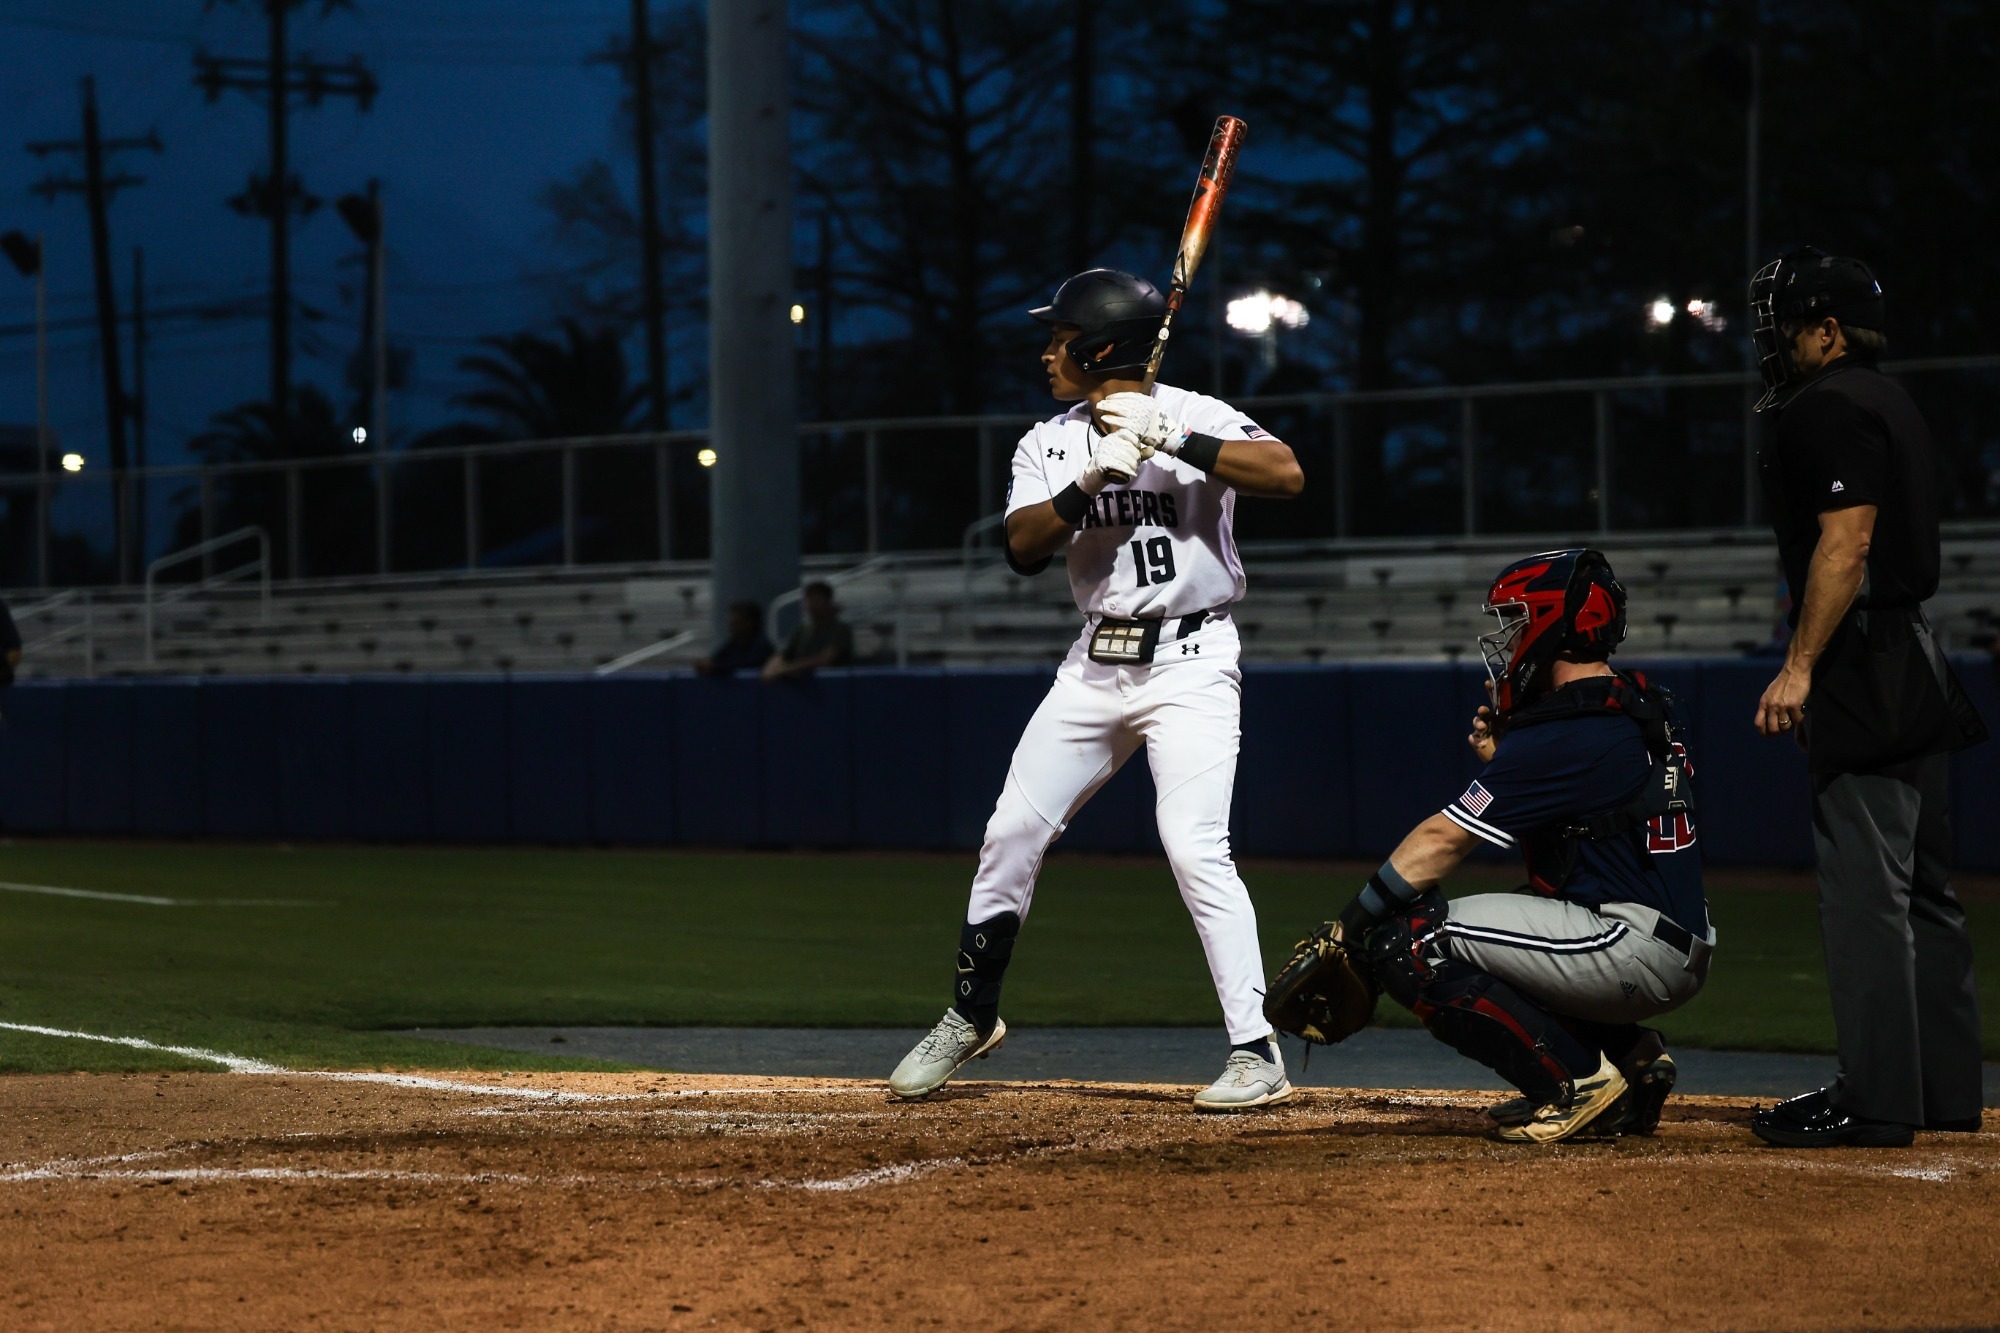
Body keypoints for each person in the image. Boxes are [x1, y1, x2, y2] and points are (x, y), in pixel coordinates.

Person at [886, 267, 1305, 1111]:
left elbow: (1286, 473)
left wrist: (1171, 438)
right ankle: (971, 1015)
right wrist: (1091, 480)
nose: (1048, 353)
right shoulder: (1048, 440)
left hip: (1191, 661)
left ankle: (1256, 1050)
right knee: (1010, 832)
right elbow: (1022, 547)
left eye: (1061, 338)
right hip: (1093, 664)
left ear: (1102, 347)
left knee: (1194, 845)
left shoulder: (1195, 412)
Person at [1279, 550, 1712, 1144]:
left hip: (1629, 946)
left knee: (1410, 941)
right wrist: (1510, 759)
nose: (1507, 638)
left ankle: (1577, 1081)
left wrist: (1351, 925)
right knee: (1514, 916)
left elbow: (1442, 841)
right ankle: (1633, 1060)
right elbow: (1571, 847)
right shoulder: (1638, 703)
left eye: (1517, 620)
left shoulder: (1566, 731)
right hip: (1671, 939)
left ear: (1552, 623)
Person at [1747, 248, 1987, 1148]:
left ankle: (1879, 1098)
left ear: (1827, 330)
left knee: (1866, 894)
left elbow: (1845, 545)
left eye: (1784, 327)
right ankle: (1942, 1093)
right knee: (1927, 889)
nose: (1774, 344)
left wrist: (1801, 665)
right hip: (1913, 653)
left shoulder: (1830, 404)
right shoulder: (1889, 396)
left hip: (1866, 663)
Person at [761, 582, 854, 682]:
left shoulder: (840, 629)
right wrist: (771, 667)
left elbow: (825, 659)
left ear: (828, 602)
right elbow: (785, 654)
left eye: (817, 600)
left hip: (834, 684)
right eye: (809, 600)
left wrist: (788, 669)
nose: (812, 605)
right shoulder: (805, 630)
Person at [694, 600, 774, 677]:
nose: (731, 627)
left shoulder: (762, 646)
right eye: (731, 623)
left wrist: (716, 667)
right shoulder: (733, 644)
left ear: (749, 623)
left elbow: (745, 664)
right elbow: (716, 659)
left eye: (736, 623)